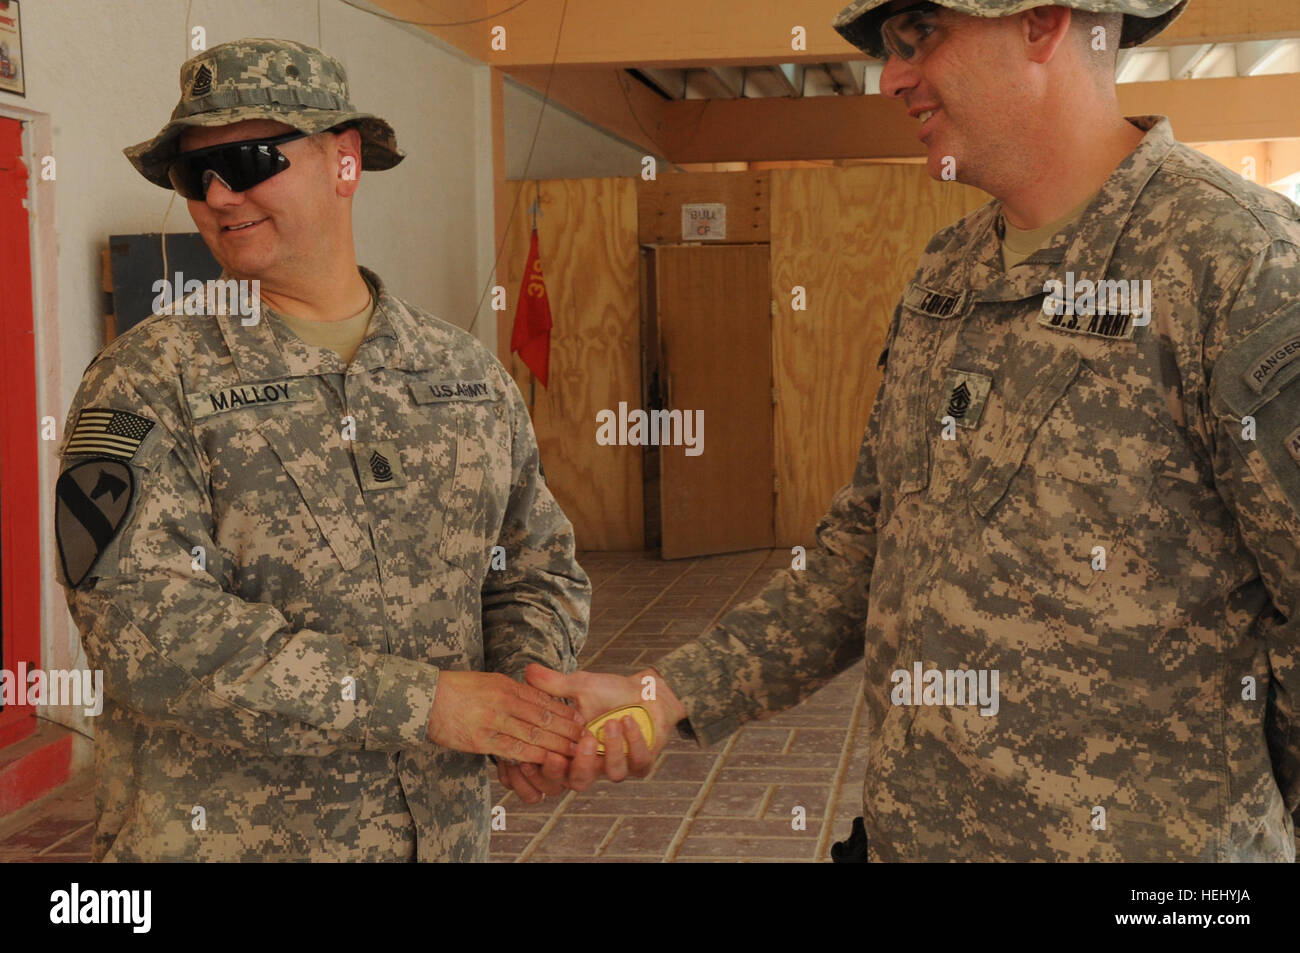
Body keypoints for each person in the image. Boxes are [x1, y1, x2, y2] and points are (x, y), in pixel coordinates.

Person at [525, 0, 1300, 861]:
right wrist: (664, 690)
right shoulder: (947, 273)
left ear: (1042, 23)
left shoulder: (1240, 266)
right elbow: (864, 549)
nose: (891, 77)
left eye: (917, 36)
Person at [54, 37, 591, 861]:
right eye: (194, 174)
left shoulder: (461, 372)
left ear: (345, 162)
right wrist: (425, 703)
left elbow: (534, 565)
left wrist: (524, 695)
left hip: (440, 838)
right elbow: (143, 633)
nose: (221, 193)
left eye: (251, 157)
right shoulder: (147, 380)